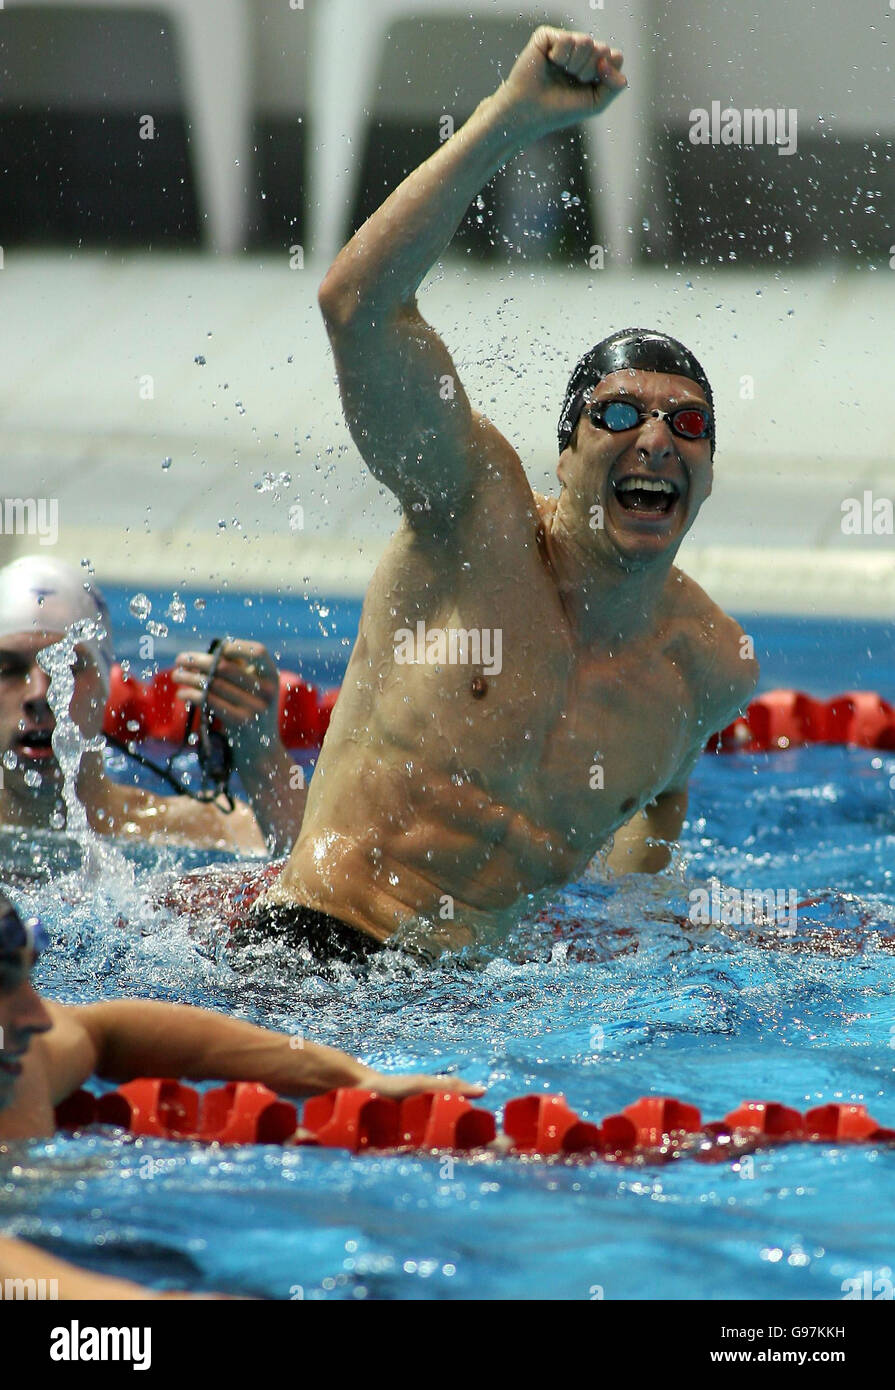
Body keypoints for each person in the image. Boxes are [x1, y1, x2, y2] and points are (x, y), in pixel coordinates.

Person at [245, 26, 759, 960]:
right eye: (617, 416)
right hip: (311, 949)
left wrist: (645, 938)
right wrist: (509, 118)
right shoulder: (469, 515)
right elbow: (355, 303)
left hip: (475, 1013)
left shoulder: (709, 668)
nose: (654, 440)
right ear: (561, 458)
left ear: (709, 475)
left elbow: (657, 810)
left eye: (686, 425)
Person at [0, 890, 483, 1297]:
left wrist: (353, 1079)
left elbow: (107, 1031)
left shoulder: (25, 1064)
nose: (38, 1018)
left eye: (29, 978)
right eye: (5, 987)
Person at [0, 555, 304, 854]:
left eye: (67, 666)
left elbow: (318, 876)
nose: (39, 694)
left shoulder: (197, 830)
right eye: (7, 669)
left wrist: (261, 755)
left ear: (105, 685)